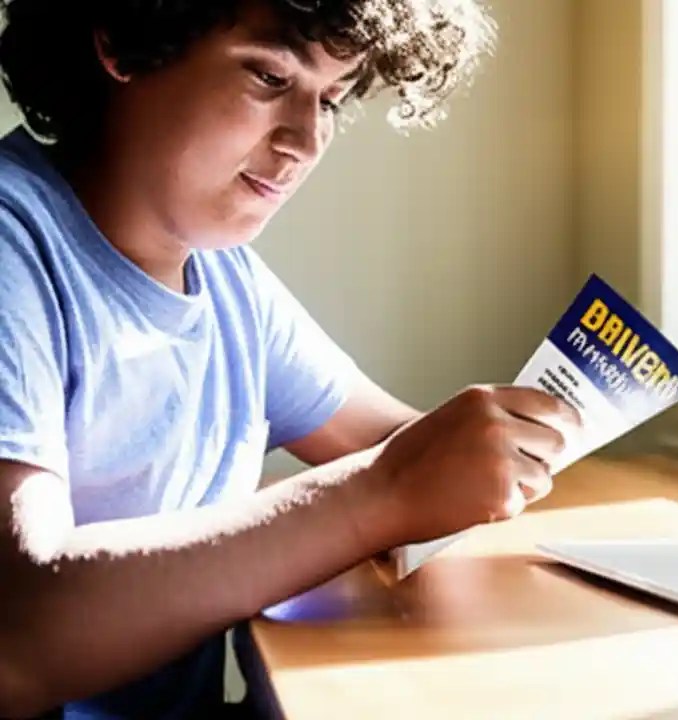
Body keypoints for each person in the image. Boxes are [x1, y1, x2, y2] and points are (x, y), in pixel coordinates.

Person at [0, 0, 581, 717]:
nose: (307, 140)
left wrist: (490, 454)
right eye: (271, 77)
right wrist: (385, 489)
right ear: (122, 39)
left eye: (332, 99)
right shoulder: (11, 244)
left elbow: (408, 451)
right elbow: (17, 642)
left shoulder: (225, 278)